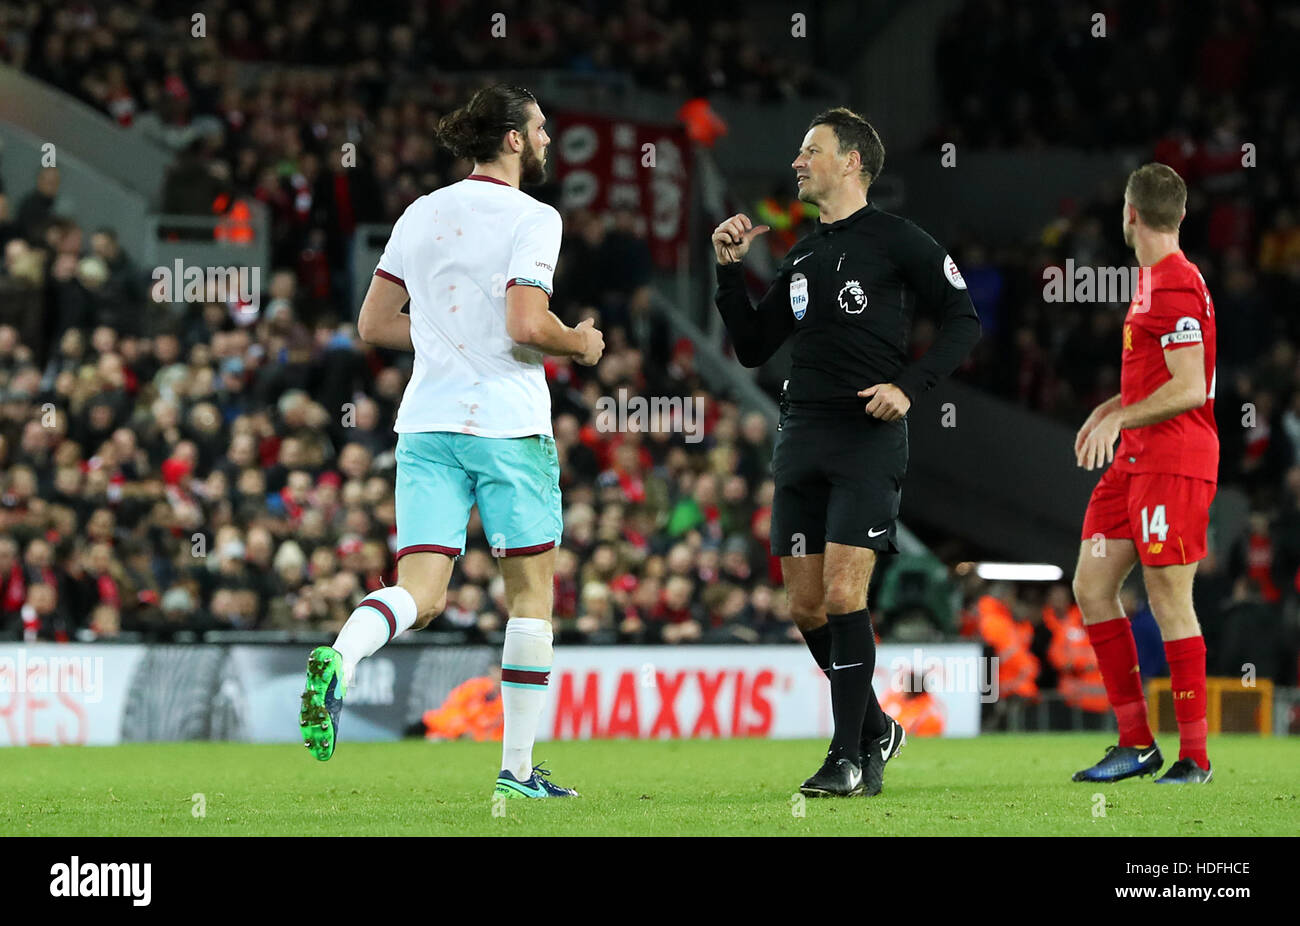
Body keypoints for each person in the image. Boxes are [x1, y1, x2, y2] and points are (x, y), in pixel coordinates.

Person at [299, 85, 604, 800]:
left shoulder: (420, 212)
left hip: (427, 424)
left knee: (421, 591)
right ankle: (519, 770)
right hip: (507, 426)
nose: (548, 139)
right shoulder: (535, 218)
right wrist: (580, 343)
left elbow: (375, 324)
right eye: (540, 128)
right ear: (513, 141)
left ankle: (340, 659)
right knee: (530, 598)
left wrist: (444, 337)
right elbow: (529, 324)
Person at [712, 107, 980, 796]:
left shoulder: (898, 241)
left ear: (852, 162)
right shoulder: (803, 253)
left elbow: (963, 319)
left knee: (840, 594)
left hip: (866, 437)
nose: (798, 162)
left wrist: (911, 387)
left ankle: (847, 757)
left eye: (812, 150)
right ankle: (876, 728)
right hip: (800, 435)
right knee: (805, 608)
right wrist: (726, 273)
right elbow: (751, 348)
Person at [1071, 163, 1218, 784]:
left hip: (1173, 460)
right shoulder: (1150, 282)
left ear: (1130, 214)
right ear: (1179, 215)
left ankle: (1195, 757)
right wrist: (1111, 409)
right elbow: (1160, 378)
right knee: (1092, 586)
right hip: (1134, 460)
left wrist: (1120, 417)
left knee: (1167, 600)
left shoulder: (1177, 284)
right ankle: (1136, 741)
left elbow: (1189, 387)